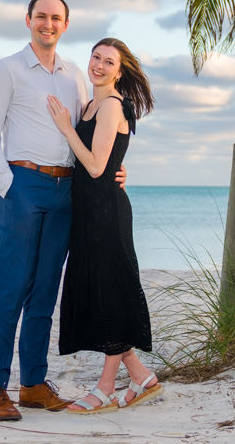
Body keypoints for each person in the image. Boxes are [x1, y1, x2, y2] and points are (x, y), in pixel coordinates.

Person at [0, 0, 86, 421]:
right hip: (23, 184)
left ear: (65, 25)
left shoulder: (75, 76)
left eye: (56, 18)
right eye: (41, 16)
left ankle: (34, 384)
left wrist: (112, 168)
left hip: (65, 189)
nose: (48, 24)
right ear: (28, 20)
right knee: (11, 286)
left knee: (45, 290)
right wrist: (8, 187)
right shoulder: (8, 69)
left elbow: (83, 134)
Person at [45, 38, 160, 413]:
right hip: (89, 213)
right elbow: (108, 161)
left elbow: (95, 167)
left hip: (106, 214)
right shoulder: (91, 104)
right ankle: (141, 376)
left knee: (109, 295)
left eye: (109, 61)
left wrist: (66, 128)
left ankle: (106, 387)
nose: (99, 65)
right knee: (99, 293)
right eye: (96, 57)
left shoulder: (111, 105)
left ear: (120, 71)